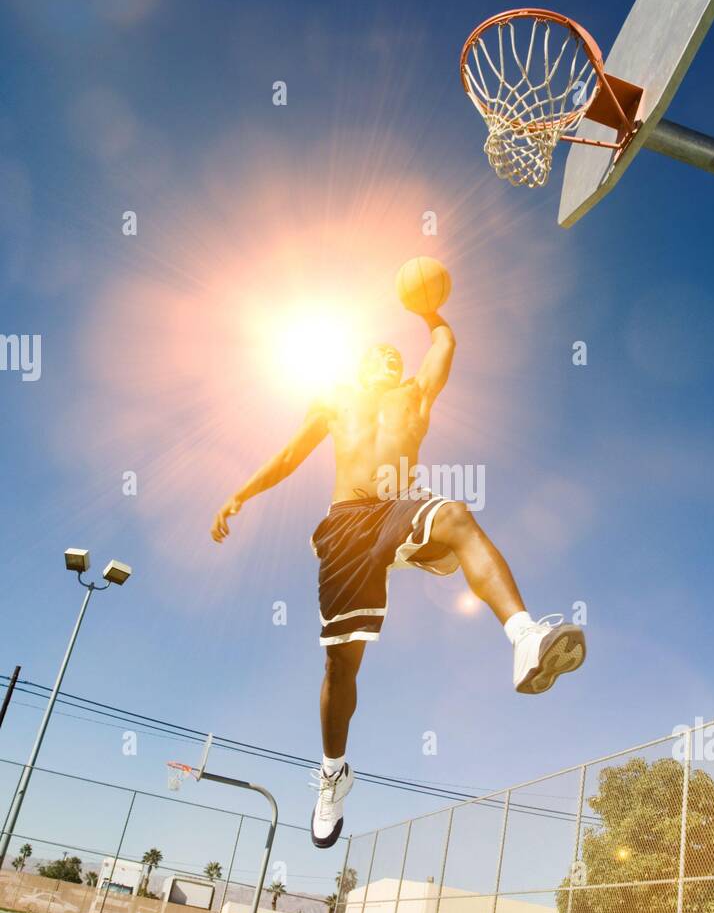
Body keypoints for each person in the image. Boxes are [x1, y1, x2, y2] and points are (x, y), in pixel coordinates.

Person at [211, 308, 585, 847]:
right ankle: (333, 772)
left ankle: (524, 637)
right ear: (361, 367)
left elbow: (445, 346)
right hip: (345, 526)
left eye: (395, 354)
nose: (388, 357)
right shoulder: (334, 401)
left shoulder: (416, 395)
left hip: (397, 509)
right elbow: (290, 454)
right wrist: (240, 493)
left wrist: (430, 310)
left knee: (455, 514)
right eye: (377, 354)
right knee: (341, 664)